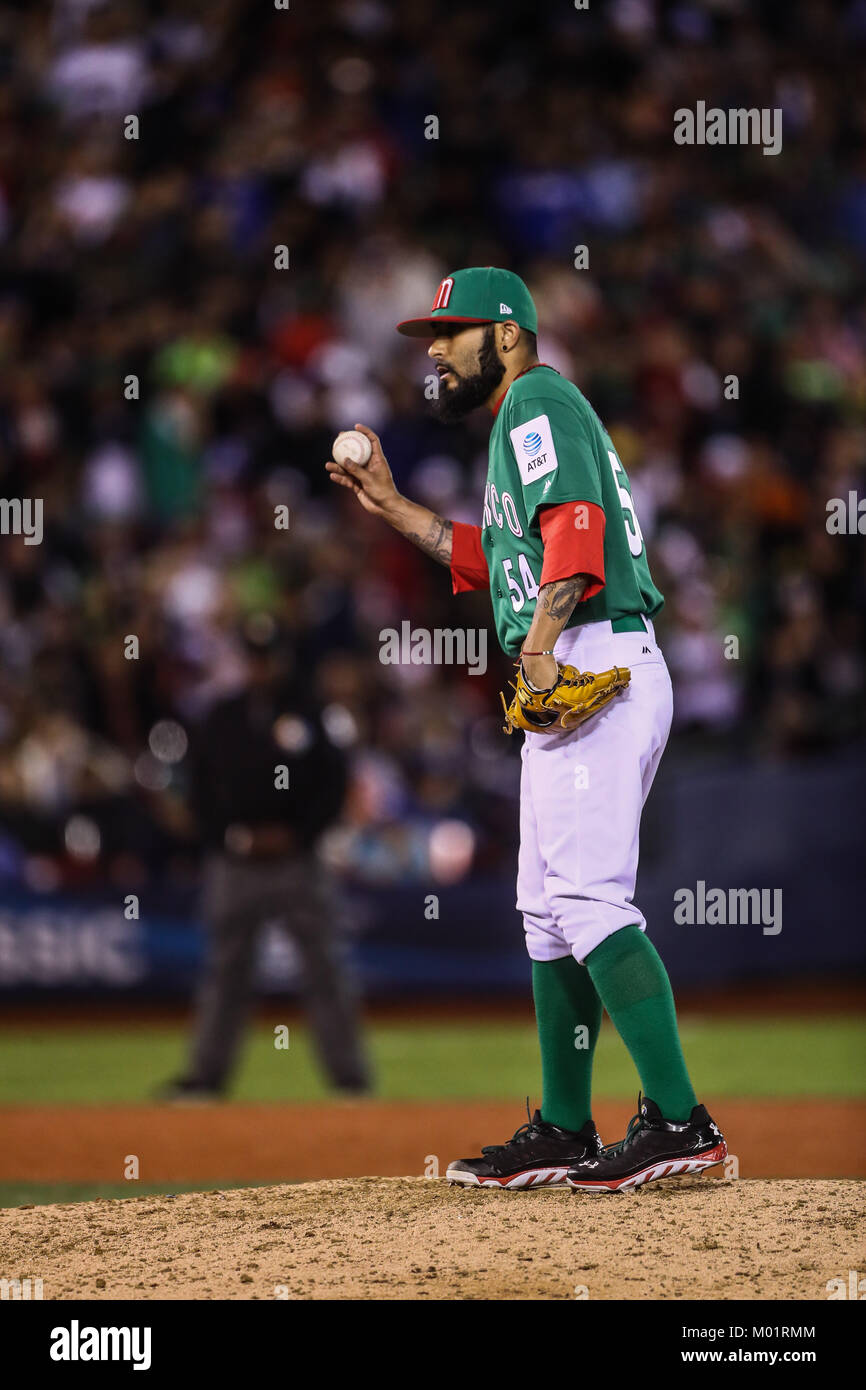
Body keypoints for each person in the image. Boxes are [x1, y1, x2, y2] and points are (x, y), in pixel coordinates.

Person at [326, 267, 726, 1191]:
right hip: (581, 652)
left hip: (590, 654)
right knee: (548, 917)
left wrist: (542, 649)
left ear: (507, 334)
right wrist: (392, 507)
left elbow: (576, 531)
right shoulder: (522, 422)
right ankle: (564, 1124)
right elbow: (496, 555)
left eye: (450, 330)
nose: (432, 347)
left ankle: (680, 1121)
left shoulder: (536, 398)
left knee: (587, 902)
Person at [161, 614, 370, 1101]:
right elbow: (200, 792)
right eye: (252, 658)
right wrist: (233, 837)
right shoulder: (221, 715)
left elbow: (334, 786)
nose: (260, 667)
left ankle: (350, 1079)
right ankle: (205, 1078)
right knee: (225, 970)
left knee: (325, 970)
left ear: (281, 659)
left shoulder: (312, 713)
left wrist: (297, 836)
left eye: (267, 657)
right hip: (236, 864)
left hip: (299, 862)